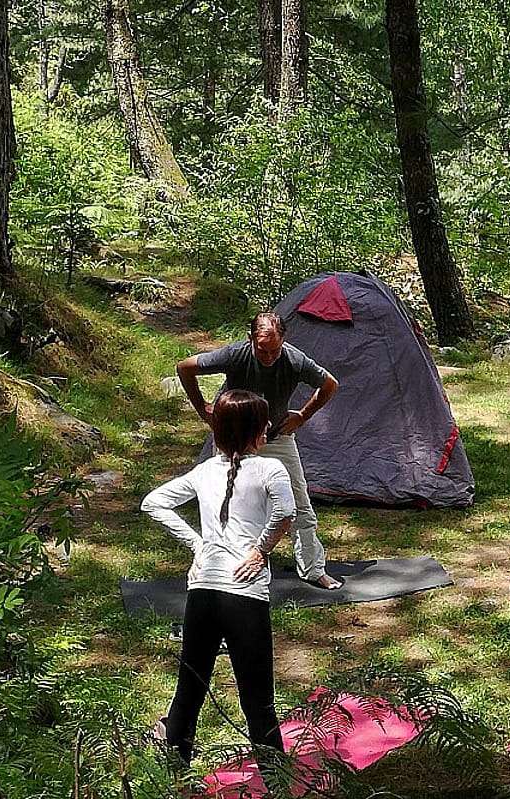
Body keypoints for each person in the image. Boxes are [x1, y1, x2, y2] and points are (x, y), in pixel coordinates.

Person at [141, 390, 296, 793]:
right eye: (263, 422)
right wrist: (261, 550)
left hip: (203, 595)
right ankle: (279, 787)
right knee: (258, 702)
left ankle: (176, 781)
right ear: (251, 430)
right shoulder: (271, 469)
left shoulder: (205, 471)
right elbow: (286, 513)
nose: (268, 427)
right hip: (242, 597)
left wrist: (199, 546)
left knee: (189, 691)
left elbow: (153, 503)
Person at [176, 312, 342, 589]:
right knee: (225, 501)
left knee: (300, 504)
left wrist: (303, 415)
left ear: (284, 340)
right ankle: (220, 563)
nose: (268, 357)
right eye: (262, 350)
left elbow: (330, 384)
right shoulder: (234, 355)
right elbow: (185, 367)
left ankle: (313, 569)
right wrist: (204, 410)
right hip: (234, 438)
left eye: (274, 350)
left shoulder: (294, 360)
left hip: (275, 436)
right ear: (249, 338)